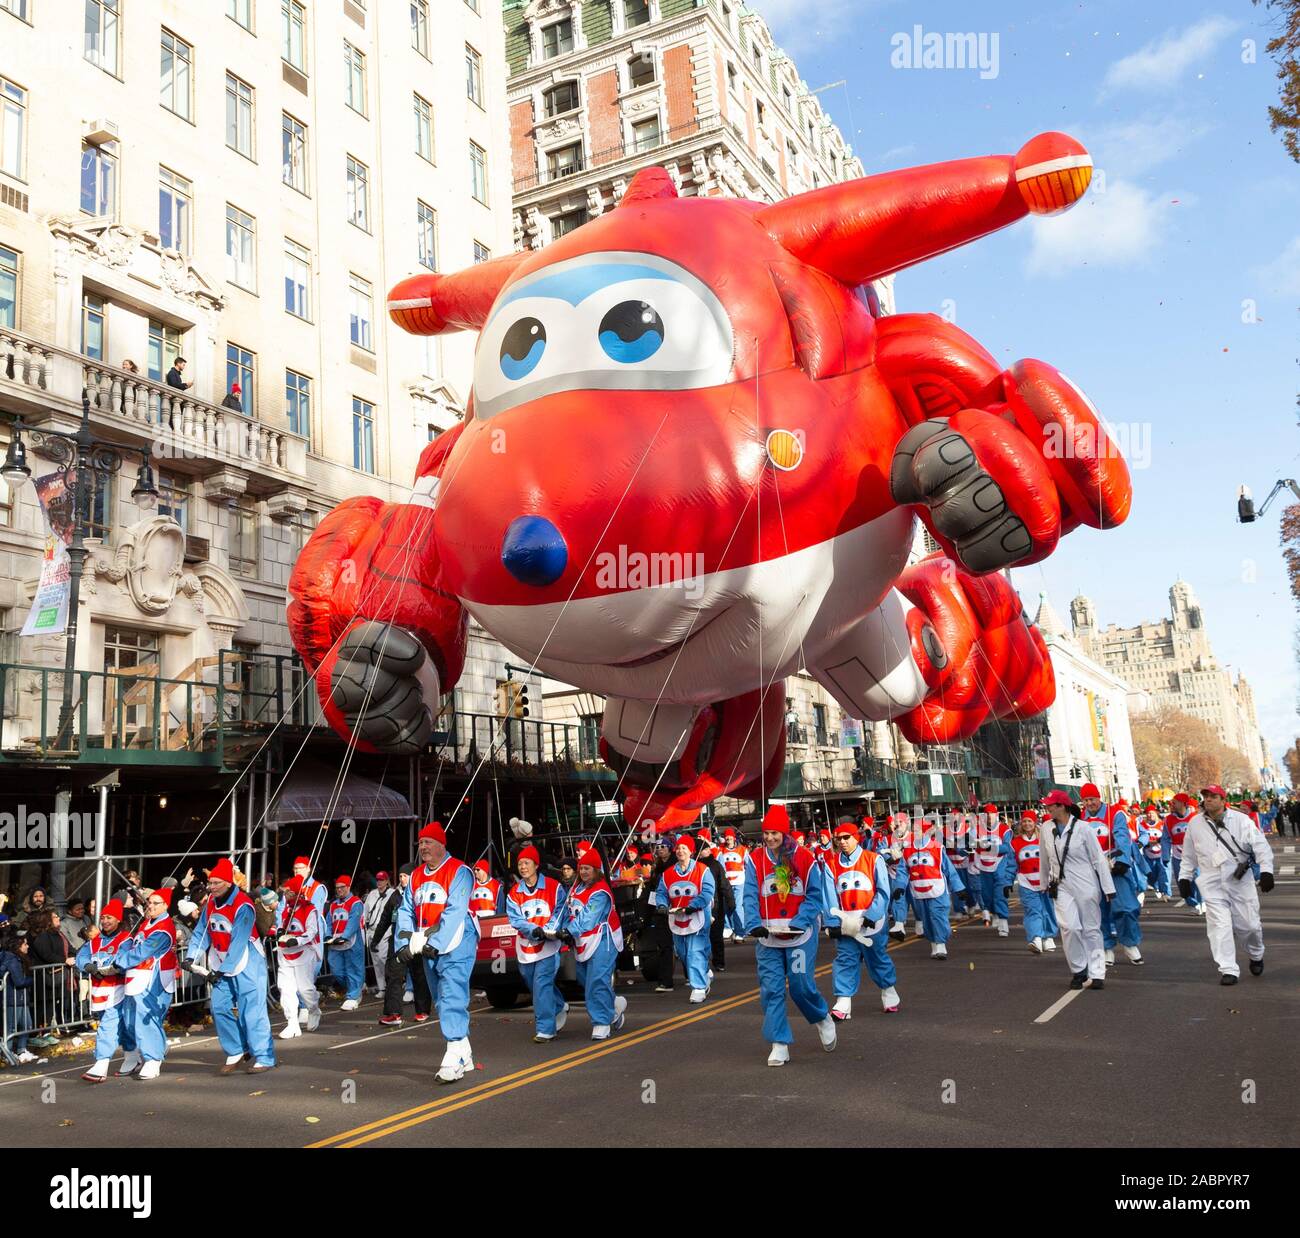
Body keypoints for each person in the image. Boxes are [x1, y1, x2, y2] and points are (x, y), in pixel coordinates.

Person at [742, 804, 837, 1066]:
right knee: (771, 990)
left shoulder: (805, 857)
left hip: (799, 936)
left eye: (776, 833)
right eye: (767, 833)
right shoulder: (754, 859)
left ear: (785, 833)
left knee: (800, 986)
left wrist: (799, 922)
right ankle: (779, 1042)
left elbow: (815, 895)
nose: (770, 838)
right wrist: (752, 923)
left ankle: (821, 1017)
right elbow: (750, 894)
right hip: (768, 938)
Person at [394, 821, 480, 1083]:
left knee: (453, 994)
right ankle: (464, 1053)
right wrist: (404, 943)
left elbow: (455, 910)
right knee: (441, 999)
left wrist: (438, 942)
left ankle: (452, 1055)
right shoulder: (417, 875)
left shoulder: (460, 871)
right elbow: (406, 910)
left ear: (442, 844)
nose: (423, 847)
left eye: (428, 842)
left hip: (456, 942)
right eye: (420, 843)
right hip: (426, 944)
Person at [185, 857, 276, 1074]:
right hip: (221, 962)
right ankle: (235, 1050)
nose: (212, 887)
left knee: (251, 1011)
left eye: (217, 883)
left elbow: (239, 941)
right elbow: (201, 933)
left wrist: (221, 971)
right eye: (211, 883)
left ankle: (264, 1055)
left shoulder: (243, 905)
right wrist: (191, 957)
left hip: (247, 962)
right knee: (219, 1006)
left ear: (228, 882)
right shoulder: (210, 905)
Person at [1178, 785, 1275, 985]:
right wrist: (1184, 877)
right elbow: (1188, 855)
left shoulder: (1241, 820)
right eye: (1205, 796)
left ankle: (1256, 954)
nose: (1209, 800)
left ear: (1223, 800)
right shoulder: (1195, 824)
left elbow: (1260, 846)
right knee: (1219, 926)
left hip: (1239, 881)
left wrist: (1266, 871)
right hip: (1211, 882)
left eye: (1213, 796)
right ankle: (1228, 969)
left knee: (1249, 926)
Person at [545, 841, 626, 1040]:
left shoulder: (600, 891)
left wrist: (567, 932)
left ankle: (601, 1022)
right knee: (584, 979)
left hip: (603, 939)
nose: (583, 872)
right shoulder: (575, 889)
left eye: (587, 868)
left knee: (596, 981)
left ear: (596, 870)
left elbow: (588, 918)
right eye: (581, 868)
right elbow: (566, 911)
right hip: (581, 941)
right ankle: (613, 1007)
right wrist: (553, 927)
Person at [823, 819, 898, 1018]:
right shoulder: (831, 864)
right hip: (846, 922)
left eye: (846, 838)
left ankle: (888, 992)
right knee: (845, 959)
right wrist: (831, 923)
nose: (842, 842)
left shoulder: (874, 859)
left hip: (871, 922)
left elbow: (883, 891)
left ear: (856, 838)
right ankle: (843, 1002)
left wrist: (872, 915)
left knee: (877, 957)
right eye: (838, 839)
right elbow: (829, 896)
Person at [1041, 791, 1114, 990]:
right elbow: (1044, 858)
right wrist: (1043, 883)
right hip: (1060, 884)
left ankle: (1097, 972)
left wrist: (1108, 887)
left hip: (1085, 883)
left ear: (1062, 806)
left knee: (1091, 928)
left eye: (1051, 805)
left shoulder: (1083, 828)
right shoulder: (1046, 828)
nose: (1048, 808)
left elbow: (1098, 858)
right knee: (1069, 927)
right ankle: (1079, 970)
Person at [505, 845, 570, 1042]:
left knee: (541, 985)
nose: (523, 867)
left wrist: (548, 930)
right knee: (535, 985)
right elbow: (515, 919)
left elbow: (560, 911)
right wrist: (533, 930)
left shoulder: (553, 886)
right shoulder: (514, 892)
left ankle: (545, 1029)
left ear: (536, 865)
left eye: (526, 863)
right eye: (520, 864)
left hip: (548, 947)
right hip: (526, 947)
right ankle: (559, 1005)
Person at [111, 888, 178, 1080]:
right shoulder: (147, 922)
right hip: (136, 977)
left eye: (156, 903)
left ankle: (153, 1059)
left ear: (166, 905)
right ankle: (149, 1051)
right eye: (149, 902)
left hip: (153, 979)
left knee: (146, 1017)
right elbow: (132, 942)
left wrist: (119, 960)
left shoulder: (163, 928)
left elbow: (142, 951)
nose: (151, 905)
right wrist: (123, 948)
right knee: (131, 1018)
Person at [1078, 783, 1143, 966]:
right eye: (1086, 800)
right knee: (1097, 911)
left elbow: (1122, 836)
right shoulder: (1080, 818)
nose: (1090, 803)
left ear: (1099, 798)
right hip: (1090, 871)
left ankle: (1130, 943)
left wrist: (1122, 860)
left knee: (1126, 907)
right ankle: (1106, 947)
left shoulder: (1115, 813)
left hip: (1113, 867)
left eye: (1092, 799)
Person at [74, 900, 137, 1082]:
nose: (105, 921)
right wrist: (88, 966)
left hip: (119, 989)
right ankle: (132, 1057)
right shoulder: (94, 942)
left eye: (109, 917)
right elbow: (81, 957)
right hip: (99, 991)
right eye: (103, 918)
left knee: (108, 1026)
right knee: (122, 1026)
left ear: (118, 919)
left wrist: (114, 968)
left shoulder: (126, 938)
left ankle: (101, 1064)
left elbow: (125, 959)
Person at [657, 834, 716, 1003]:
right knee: (683, 953)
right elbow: (661, 892)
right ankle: (703, 972)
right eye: (679, 848)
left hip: (697, 916)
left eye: (684, 848)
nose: (681, 851)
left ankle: (698, 987)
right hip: (677, 918)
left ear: (691, 851)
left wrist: (693, 905)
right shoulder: (667, 874)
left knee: (694, 952)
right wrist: (662, 905)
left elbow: (707, 892)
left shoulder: (703, 870)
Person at [900, 815, 965, 958]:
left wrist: (959, 888)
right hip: (918, 891)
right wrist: (899, 887)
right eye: (914, 830)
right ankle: (934, 945)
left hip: (937, 890)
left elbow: (948, 869)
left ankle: (941, 946)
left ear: (925, 832)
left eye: (917, 830)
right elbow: (902, 871)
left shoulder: (937, 847)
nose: (914, 833)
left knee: (938, 916)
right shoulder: (907, 849)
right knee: (926, 919)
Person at [275, 875, 323, 1038]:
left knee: (305, 988)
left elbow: (311, 931)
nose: (286, 895)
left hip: (304, 952)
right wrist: (279, 931)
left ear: (296, 893)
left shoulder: (310, 909)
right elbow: (281, 925)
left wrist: (297, 940)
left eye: (288, 892)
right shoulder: (286, 909)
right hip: (285, 954)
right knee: (285, 988)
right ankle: (292, 1023)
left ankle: (314, 1010)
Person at [1008, 811, 1058, 954]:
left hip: (1046, 881)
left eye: (1030, 821)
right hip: (1026, 882)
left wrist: (1056, 877)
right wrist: (1007, 881)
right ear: (1021, 824)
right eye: (1024, 821)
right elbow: (1011, 864)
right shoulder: (1015, 843)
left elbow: (1054, 859)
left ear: (1035, 822)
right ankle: (1036, 938)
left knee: (1048, 910)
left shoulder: (1045, 839)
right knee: (1033, 911)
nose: (1027, 824)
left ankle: (1048, 937)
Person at [971, 804, 1014, 935]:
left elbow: (1007, 848)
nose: (989, 816)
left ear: (996, 814)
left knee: (999, 894)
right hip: (984, 867)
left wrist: (991, 847)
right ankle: (994, 912)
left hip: (999, 866)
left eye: (992, 813)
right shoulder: (977, 829)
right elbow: (968, 844)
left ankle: (1003, 923)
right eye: (987, 813)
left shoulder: (1004, 829)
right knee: (987, 897)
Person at [324, 875, 365, 1009]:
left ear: (348, 887)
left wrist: (345, 936)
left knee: (353, 968)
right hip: (335, 942)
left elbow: (353, 921)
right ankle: (354, 988)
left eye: (342, 887)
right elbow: (329, 922)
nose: (339, 890)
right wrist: (328, 935)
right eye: (337, 888)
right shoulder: (333, 905)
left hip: (351, 941)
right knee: (337, 970)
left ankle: (353, 996)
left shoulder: (356, 903)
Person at [0, 934, 41, 1065]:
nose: (27, 946)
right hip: (13, 999)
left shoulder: (17, 958)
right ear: (18, 946)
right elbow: (19, 981)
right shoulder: (12, 959)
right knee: (11, 1028)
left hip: (20, 998)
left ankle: (21, 1050)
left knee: (27, 1025)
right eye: (25, 944)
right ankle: (7, 1052)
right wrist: (33, 979)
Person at [697, 832, 732, 972]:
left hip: (715, 904)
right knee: (700, 936)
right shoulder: (694, 865)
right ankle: (703, 962)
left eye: (707, 848)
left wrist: (730, 901)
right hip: (699, 905)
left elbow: (724, 884)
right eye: (704, 849)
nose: (707, 851)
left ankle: (719, 962)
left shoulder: (716, 865)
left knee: (716, 935)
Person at [646, 836, 676, 992]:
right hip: (660, 910)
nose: (660, 849)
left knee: (683, 946)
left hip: (676, 909)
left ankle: (693, 975)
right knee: (664, 945)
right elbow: (653, 889)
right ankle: (666, 981)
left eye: (663, 846)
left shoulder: (675, 865)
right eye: (657, 847)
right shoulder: (656, 866)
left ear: (670, 848)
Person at [364, 871, 397, 997]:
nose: (379, 882)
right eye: (378, 880)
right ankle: (382, 988)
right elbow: (365, 912)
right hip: (372, 930)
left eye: (382, 880)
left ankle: (390, 985)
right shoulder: (372, 894)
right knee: (376, 961)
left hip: (385, 931)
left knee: (384, 959)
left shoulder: (392, 893)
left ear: (387, 880)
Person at [716, 828, 748, 939]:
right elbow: (719, 866)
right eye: (727, 836)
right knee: (725, 906)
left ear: (734, 837)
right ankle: (728, 927)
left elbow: (748, 866)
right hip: (726, 883)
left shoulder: (743, 850)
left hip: (739, 882)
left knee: (737, 906)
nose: (728, 838)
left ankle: (740, 931)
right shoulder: (720, 850)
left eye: (730, 836)